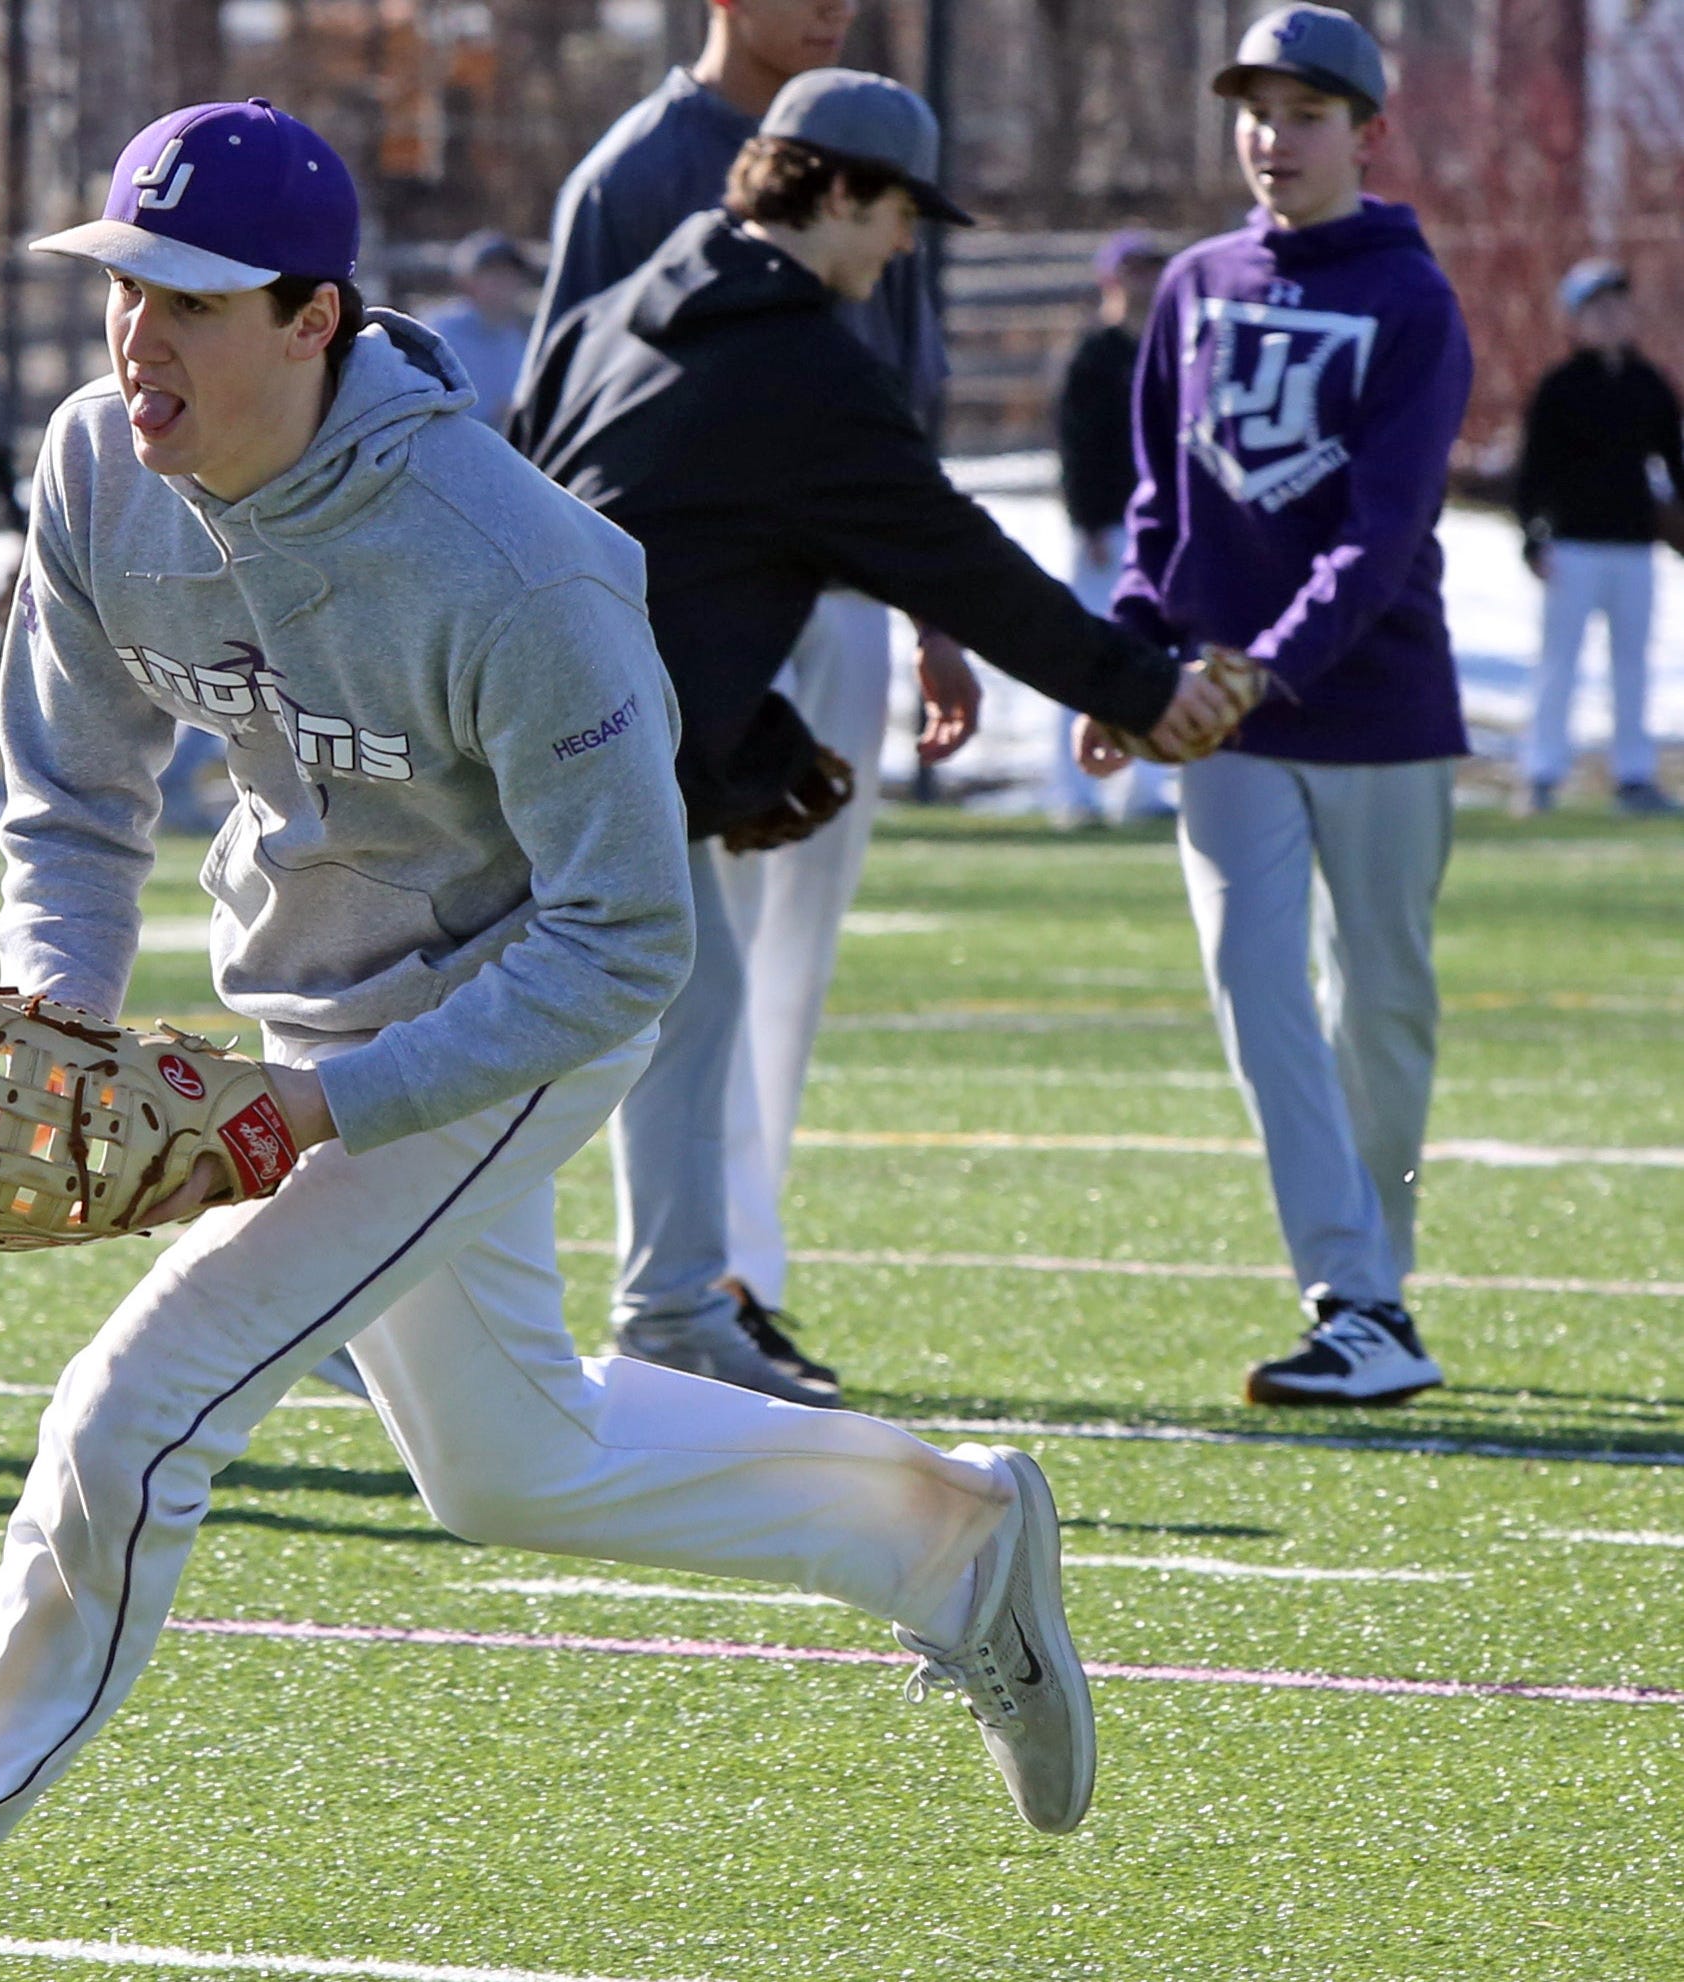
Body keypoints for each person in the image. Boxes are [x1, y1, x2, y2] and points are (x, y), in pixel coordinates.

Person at [0, 98, 1095, 1982]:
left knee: (130, 1417)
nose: (137, 338)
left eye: (190, 301)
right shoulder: (97, 467)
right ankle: (948, 1538)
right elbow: (74, 795)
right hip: (308, 1004)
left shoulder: (515, 563)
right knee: (512, 1463)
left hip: (508, 1016)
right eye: (121, 289)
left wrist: (319, 1111)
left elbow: (625, 943)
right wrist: (57, 1006)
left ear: (311, 318)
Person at [514, 73, 1239, 1405]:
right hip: (580, 760)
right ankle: (371, 1284)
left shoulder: (626, 312)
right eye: (901, 211)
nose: (908, 244)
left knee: (686, 994)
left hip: (535, 736)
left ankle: (670, 1305)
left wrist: (741, 730)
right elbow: (960, 560)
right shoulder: (801, 369)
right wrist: (1139, 688)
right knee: (535, 1042)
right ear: (837, 189)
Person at [525, 0, 977, 1388]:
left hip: (836, 601)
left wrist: (935, 616)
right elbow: (560, 420)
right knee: (670, 959)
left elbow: (903, 406)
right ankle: (692, 1277)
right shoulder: (636, 167)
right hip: (679, 623)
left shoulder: (875, 149)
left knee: (780, 971)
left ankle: (732, 1271)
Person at [1087, 5, 1474, 1407]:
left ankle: (1385, 1274)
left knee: (1383, 1007)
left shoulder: (1413, 296)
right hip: (1217, 715)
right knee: (1259, 990)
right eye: (1254, 107)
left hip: (1372, 702)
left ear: (1367, 132)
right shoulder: (1192, 283)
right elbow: (1156, 509)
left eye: (1306, 111)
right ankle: (1354, 1295)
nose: (1273, 134)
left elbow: (1381, 533)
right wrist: (1125, 663)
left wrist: (1268, 659)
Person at [1513, 258, 1679, 815]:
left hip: (1633, 545)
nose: (1609, 319)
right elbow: (1533, 470)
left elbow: (1674, 463)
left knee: (1631, 663)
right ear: (1576, 319)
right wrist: (1532, 537)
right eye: (1596, 309)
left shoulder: (1648, 384)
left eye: (1617, 307)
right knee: (1560, 660)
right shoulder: (1560, 387)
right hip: (1574, 545)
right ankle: (1542, 773)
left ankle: (1634, 776)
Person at [1048, 231, 1180, 827]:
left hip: (1162, 532)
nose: (1145, 282)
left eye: (1154, 270)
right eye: (1134, 270)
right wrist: (1087, 520)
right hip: (1107, 528)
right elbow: (1076, 448)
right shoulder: (1093, 355)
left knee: (1152, 656)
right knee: (1086, 654)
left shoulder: (1172, 352)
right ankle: (1075, 794)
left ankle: (1143, 789)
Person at [418, 229, 533, 430]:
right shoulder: (439, 334)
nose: (504, 284)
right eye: (493, 275)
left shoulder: (519, 338)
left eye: (510, 275)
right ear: (467, 281)